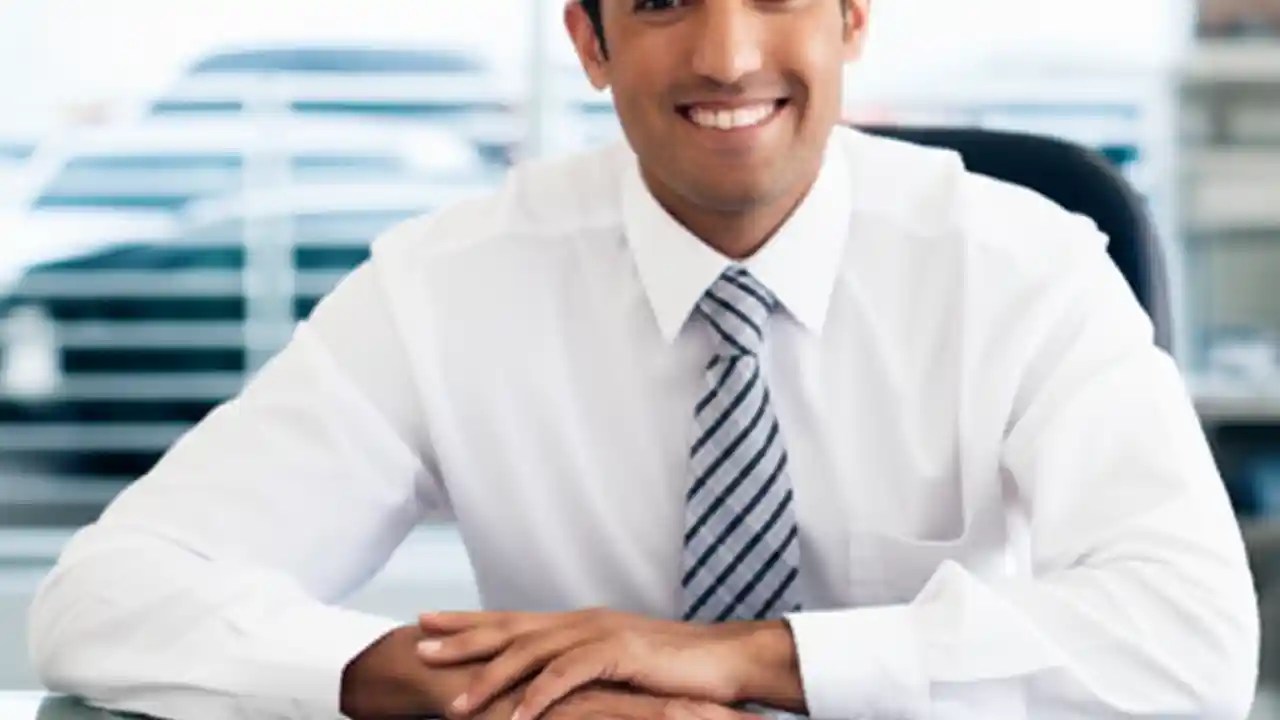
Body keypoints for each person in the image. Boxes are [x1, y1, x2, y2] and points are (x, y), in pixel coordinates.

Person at [27, 0, 1260, 718]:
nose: (726, 56)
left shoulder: (1024, 263)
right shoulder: (447, 282)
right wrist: (434, 679)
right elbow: (107, 594)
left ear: (849, 19)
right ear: (588, 40)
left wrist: (745, 660)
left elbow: (1189, 637)